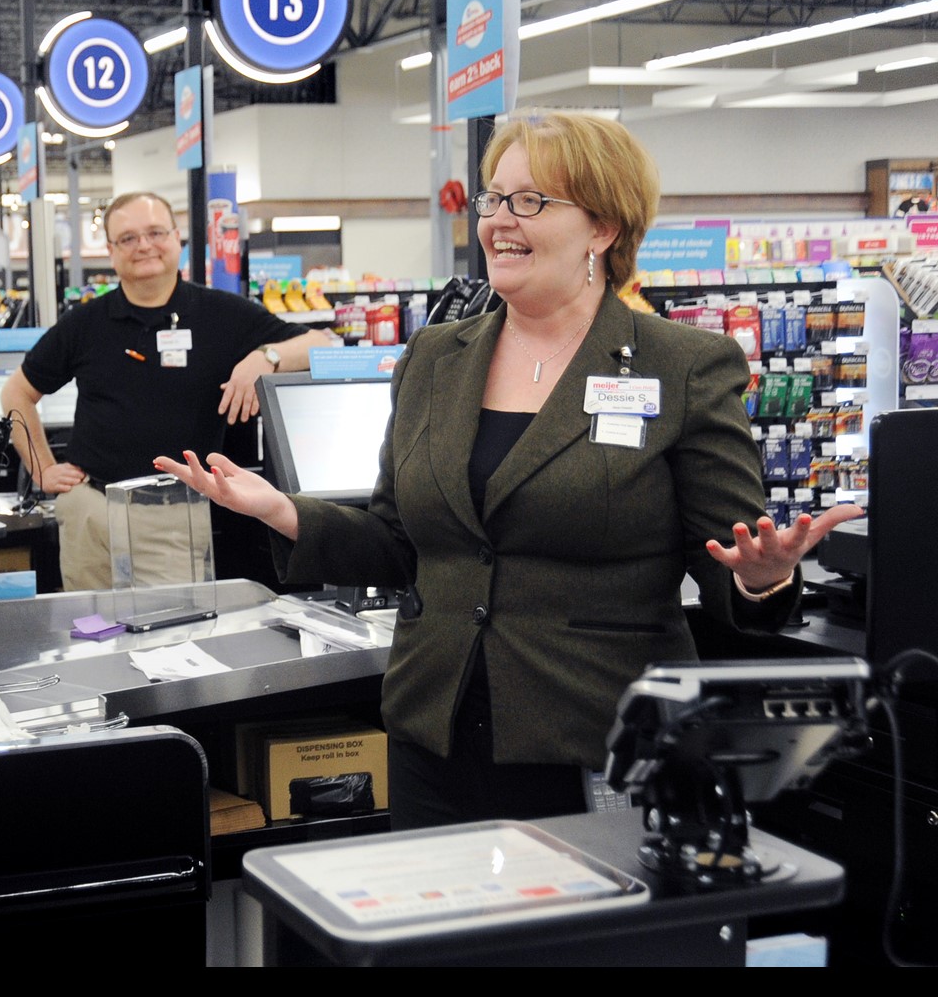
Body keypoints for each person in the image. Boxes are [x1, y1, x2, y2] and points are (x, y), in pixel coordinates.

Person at [155, 111, 863, 830]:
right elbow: (401, 543)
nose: (499, 220)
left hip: (595, 743)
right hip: (435, 732)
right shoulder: (435, 358)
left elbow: (728, 563)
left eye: (531, 201)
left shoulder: (680, 366)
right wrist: (284, 510)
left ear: (603, 228)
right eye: (495, 199)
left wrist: (761, 576)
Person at [0, 191, 334, 591]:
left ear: (178, 239)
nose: (143, 245)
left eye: (155, 232)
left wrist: (267, 357)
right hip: (89, 509)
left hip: (175, 515)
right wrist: (41, 467)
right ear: (110, 251)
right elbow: (17, 394)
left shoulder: (223, 314)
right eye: (127, 238)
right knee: (91, 638)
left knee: (172, 641)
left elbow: (323, 343)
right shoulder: (85, 323)